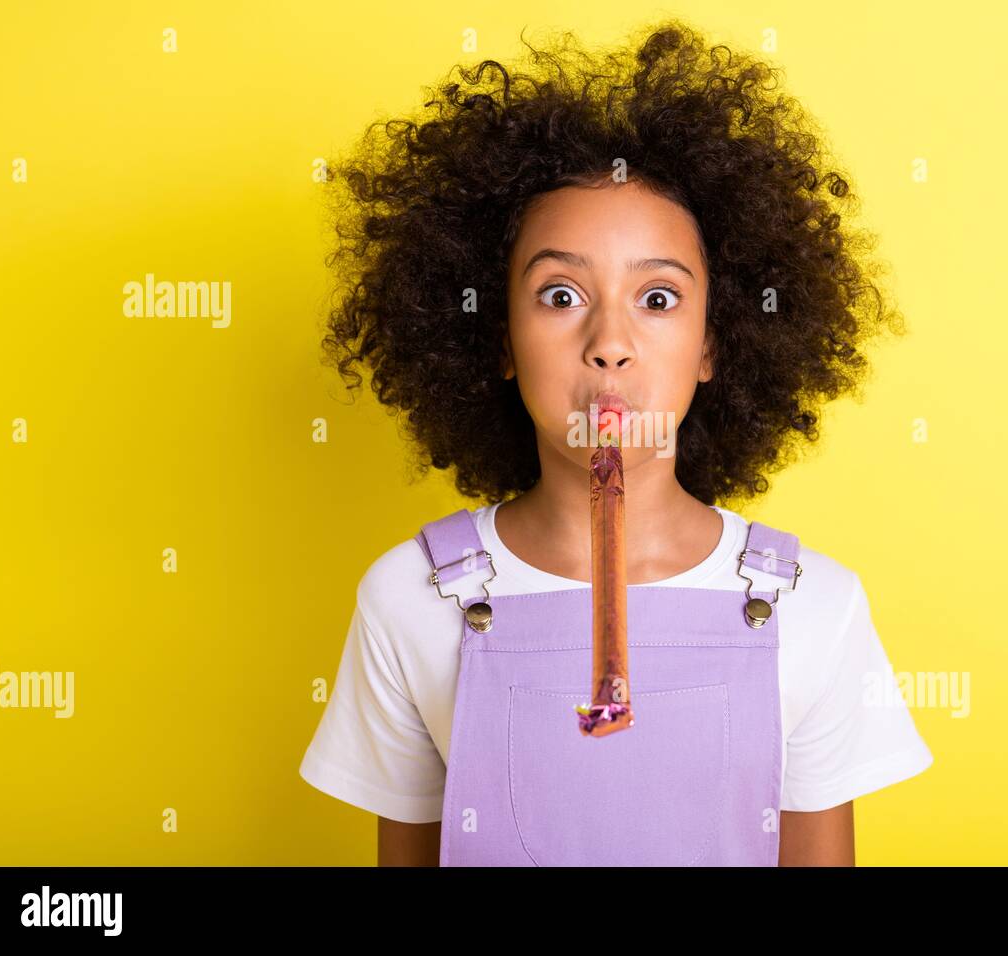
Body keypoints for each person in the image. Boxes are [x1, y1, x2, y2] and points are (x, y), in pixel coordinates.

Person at [299, 19, 930, 866]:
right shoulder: (410, 599)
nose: (609, 341)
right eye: (560, 295)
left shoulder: (816, 606)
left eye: (658, 300)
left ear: (715, 343)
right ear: (496, 338)